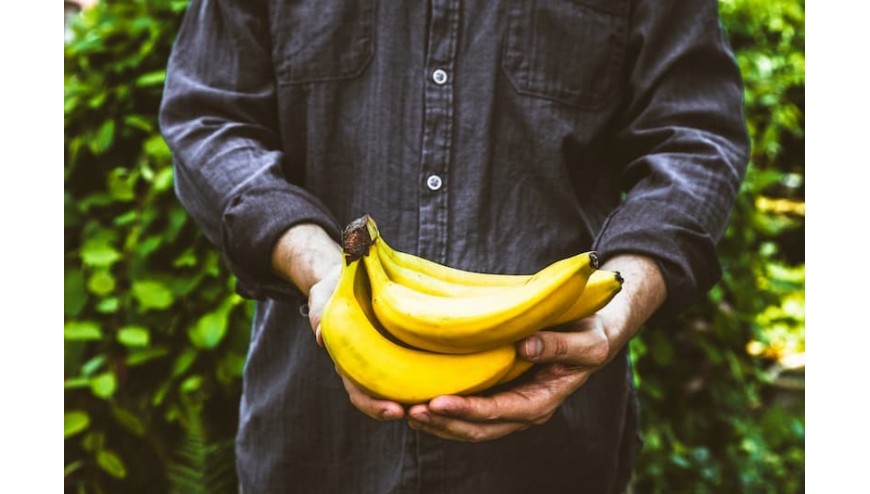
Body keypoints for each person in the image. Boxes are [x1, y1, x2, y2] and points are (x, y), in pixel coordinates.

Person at [159, 0, 749, 492]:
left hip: (553, 459)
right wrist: (315, 262)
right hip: (313, 444)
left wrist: (620, 303)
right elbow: (208, 116)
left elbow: (695, 139)